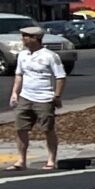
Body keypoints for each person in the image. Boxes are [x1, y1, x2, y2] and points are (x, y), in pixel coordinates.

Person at [10, 23, 65, 171]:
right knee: (20, 128)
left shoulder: (50, 56)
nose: (23, 39)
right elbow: (19, 75)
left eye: (26, 36)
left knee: (47, 129)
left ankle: (51, 160)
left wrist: (57, 95)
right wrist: (15, 93)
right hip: (25, 97)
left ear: (36, 38)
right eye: (23, 36)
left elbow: (60, 76)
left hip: (45, 98)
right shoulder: (23, 55)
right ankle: (21, 160)